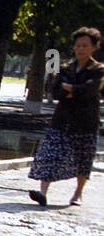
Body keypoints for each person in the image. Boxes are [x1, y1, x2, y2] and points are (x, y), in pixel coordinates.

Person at [29, 26, 103, 207]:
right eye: (78, 45)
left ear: (94, 47)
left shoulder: (98, 69)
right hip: (62, 119)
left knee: (83, 157)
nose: (80, 49)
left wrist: (71, 89)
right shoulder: (66, 68)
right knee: (50, 152)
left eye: (85, 45)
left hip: (85, 120)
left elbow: (92, 90)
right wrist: (76, 90)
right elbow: (55, 91)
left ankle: (78, 193)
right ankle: (43, 192)